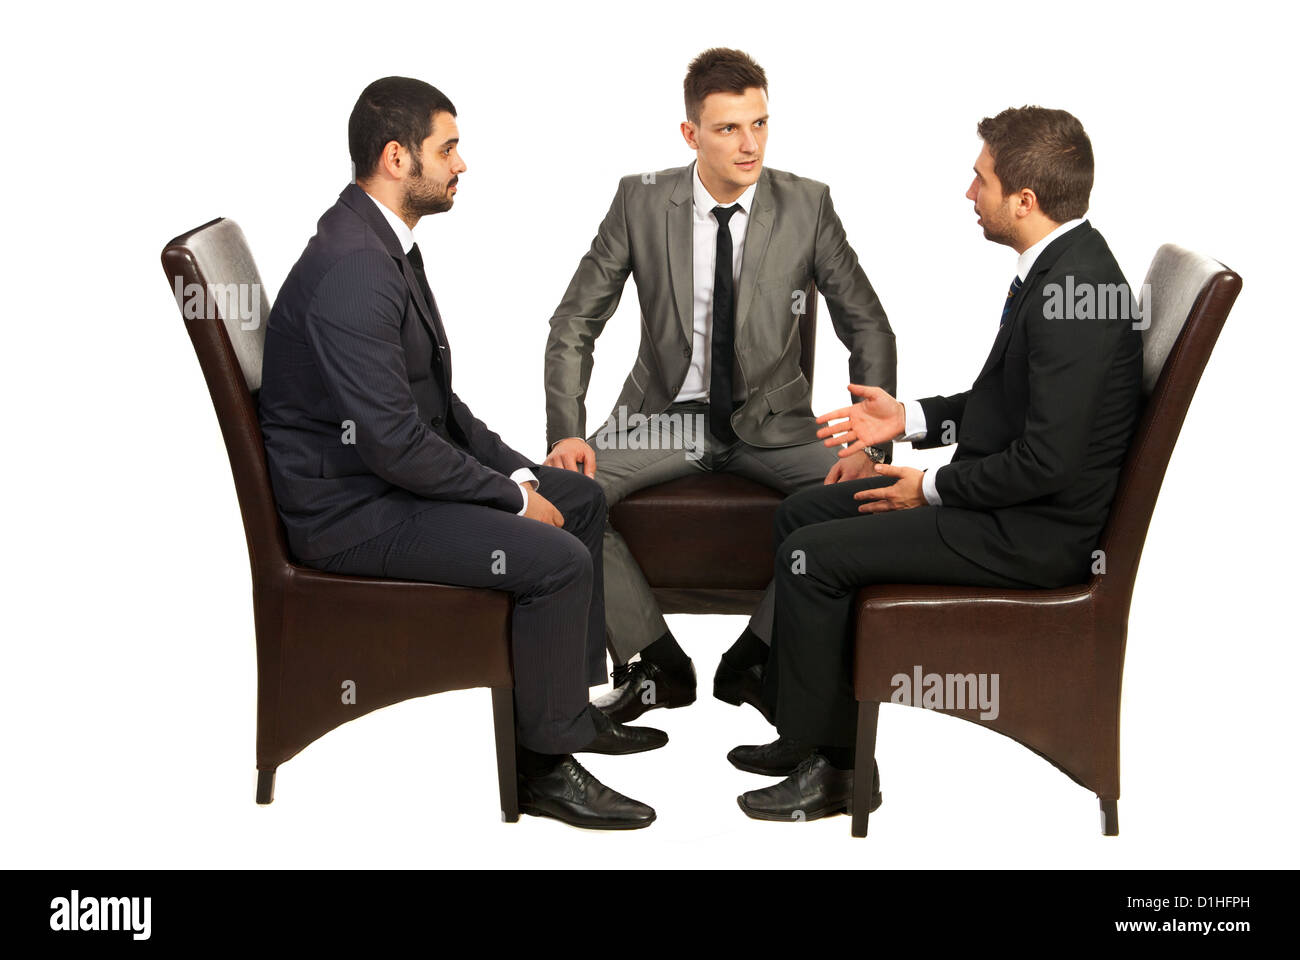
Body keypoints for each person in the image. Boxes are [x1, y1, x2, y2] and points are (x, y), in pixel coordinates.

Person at [258, 77, 665, 831]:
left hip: (380, 480)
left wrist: (522, 470)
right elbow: (392, 442)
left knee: (577, 498)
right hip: (353, 514)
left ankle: (564, 712)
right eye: (447, 149)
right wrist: (512, 501)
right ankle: (543, 769)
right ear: (395, 156)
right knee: (557, 559)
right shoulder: (354, 267)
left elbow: (435, 406)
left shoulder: (382, 242)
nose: (461, 165)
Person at [733, 106, 1144, 822]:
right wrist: (908, 419)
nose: (968, 193)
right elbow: (1004, 404)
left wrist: (929, 488)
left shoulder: (1076, 297)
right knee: (801, 513)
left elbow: (1046, 461)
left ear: (1025, 199)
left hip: (1031, 535)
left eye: (980, 179)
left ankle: (838, 770)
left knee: (815, 556)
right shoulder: (1058, 269)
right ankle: (808, 729)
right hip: (1010, 507)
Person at [543, 48, 896, 725]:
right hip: (665, 418)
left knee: (871, 499)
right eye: (729, 129)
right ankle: (652, 658)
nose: (750, 144)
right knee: (561, 495)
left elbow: (869, 327)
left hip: (776, 421)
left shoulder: (807, 204)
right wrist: (566, 430)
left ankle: (759, 654)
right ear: (690, 136)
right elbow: (573, 322)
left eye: (760, 124)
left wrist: (870, 444)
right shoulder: (641, 200)